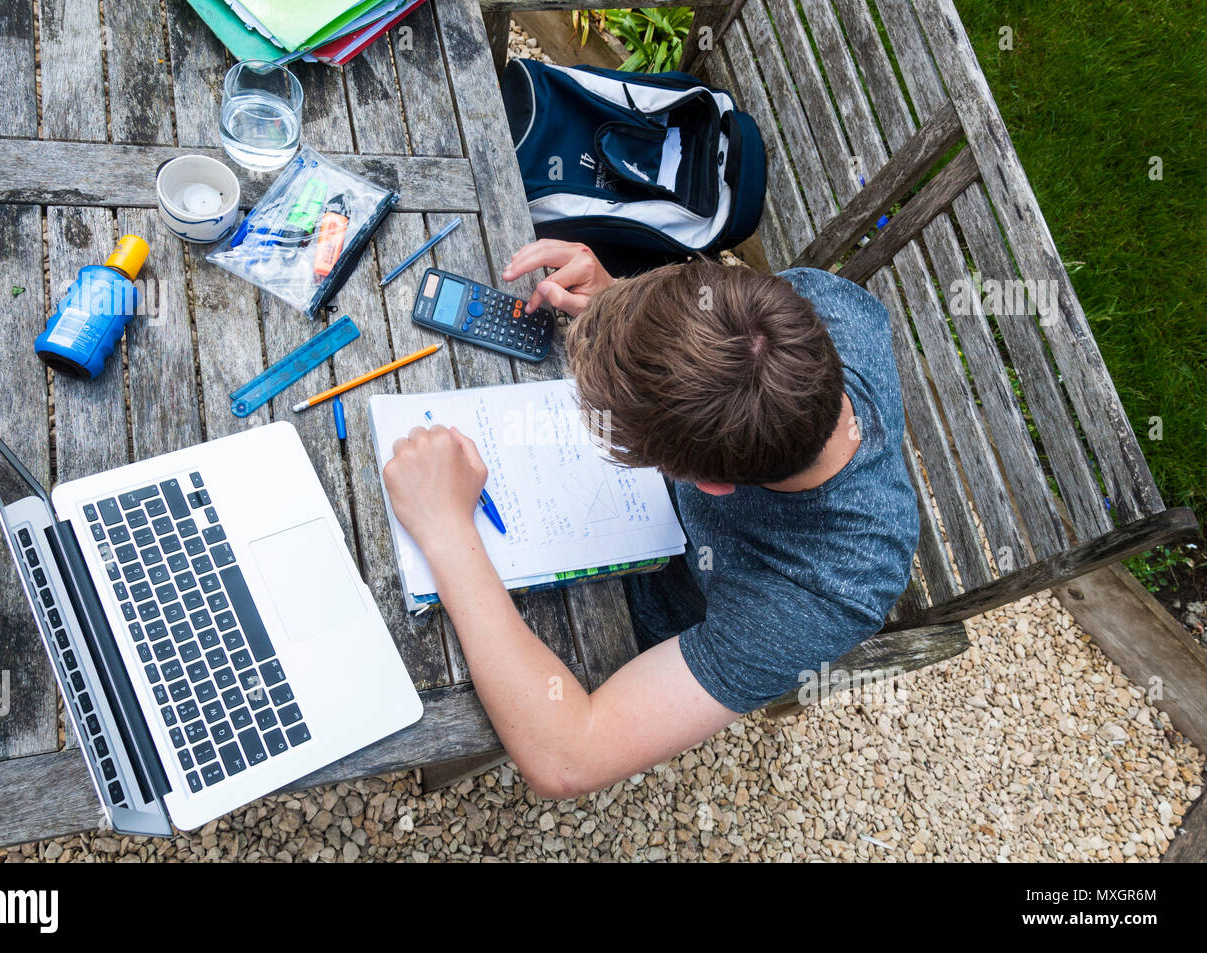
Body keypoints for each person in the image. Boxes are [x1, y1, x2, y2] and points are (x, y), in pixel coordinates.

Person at [380, 240, 919, 799]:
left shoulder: (821, 592)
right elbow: (730, 365)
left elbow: (568, 758)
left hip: (637, 609)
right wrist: (623, 309)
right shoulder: (811, 302)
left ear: (709, 487)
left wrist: (446, 529)